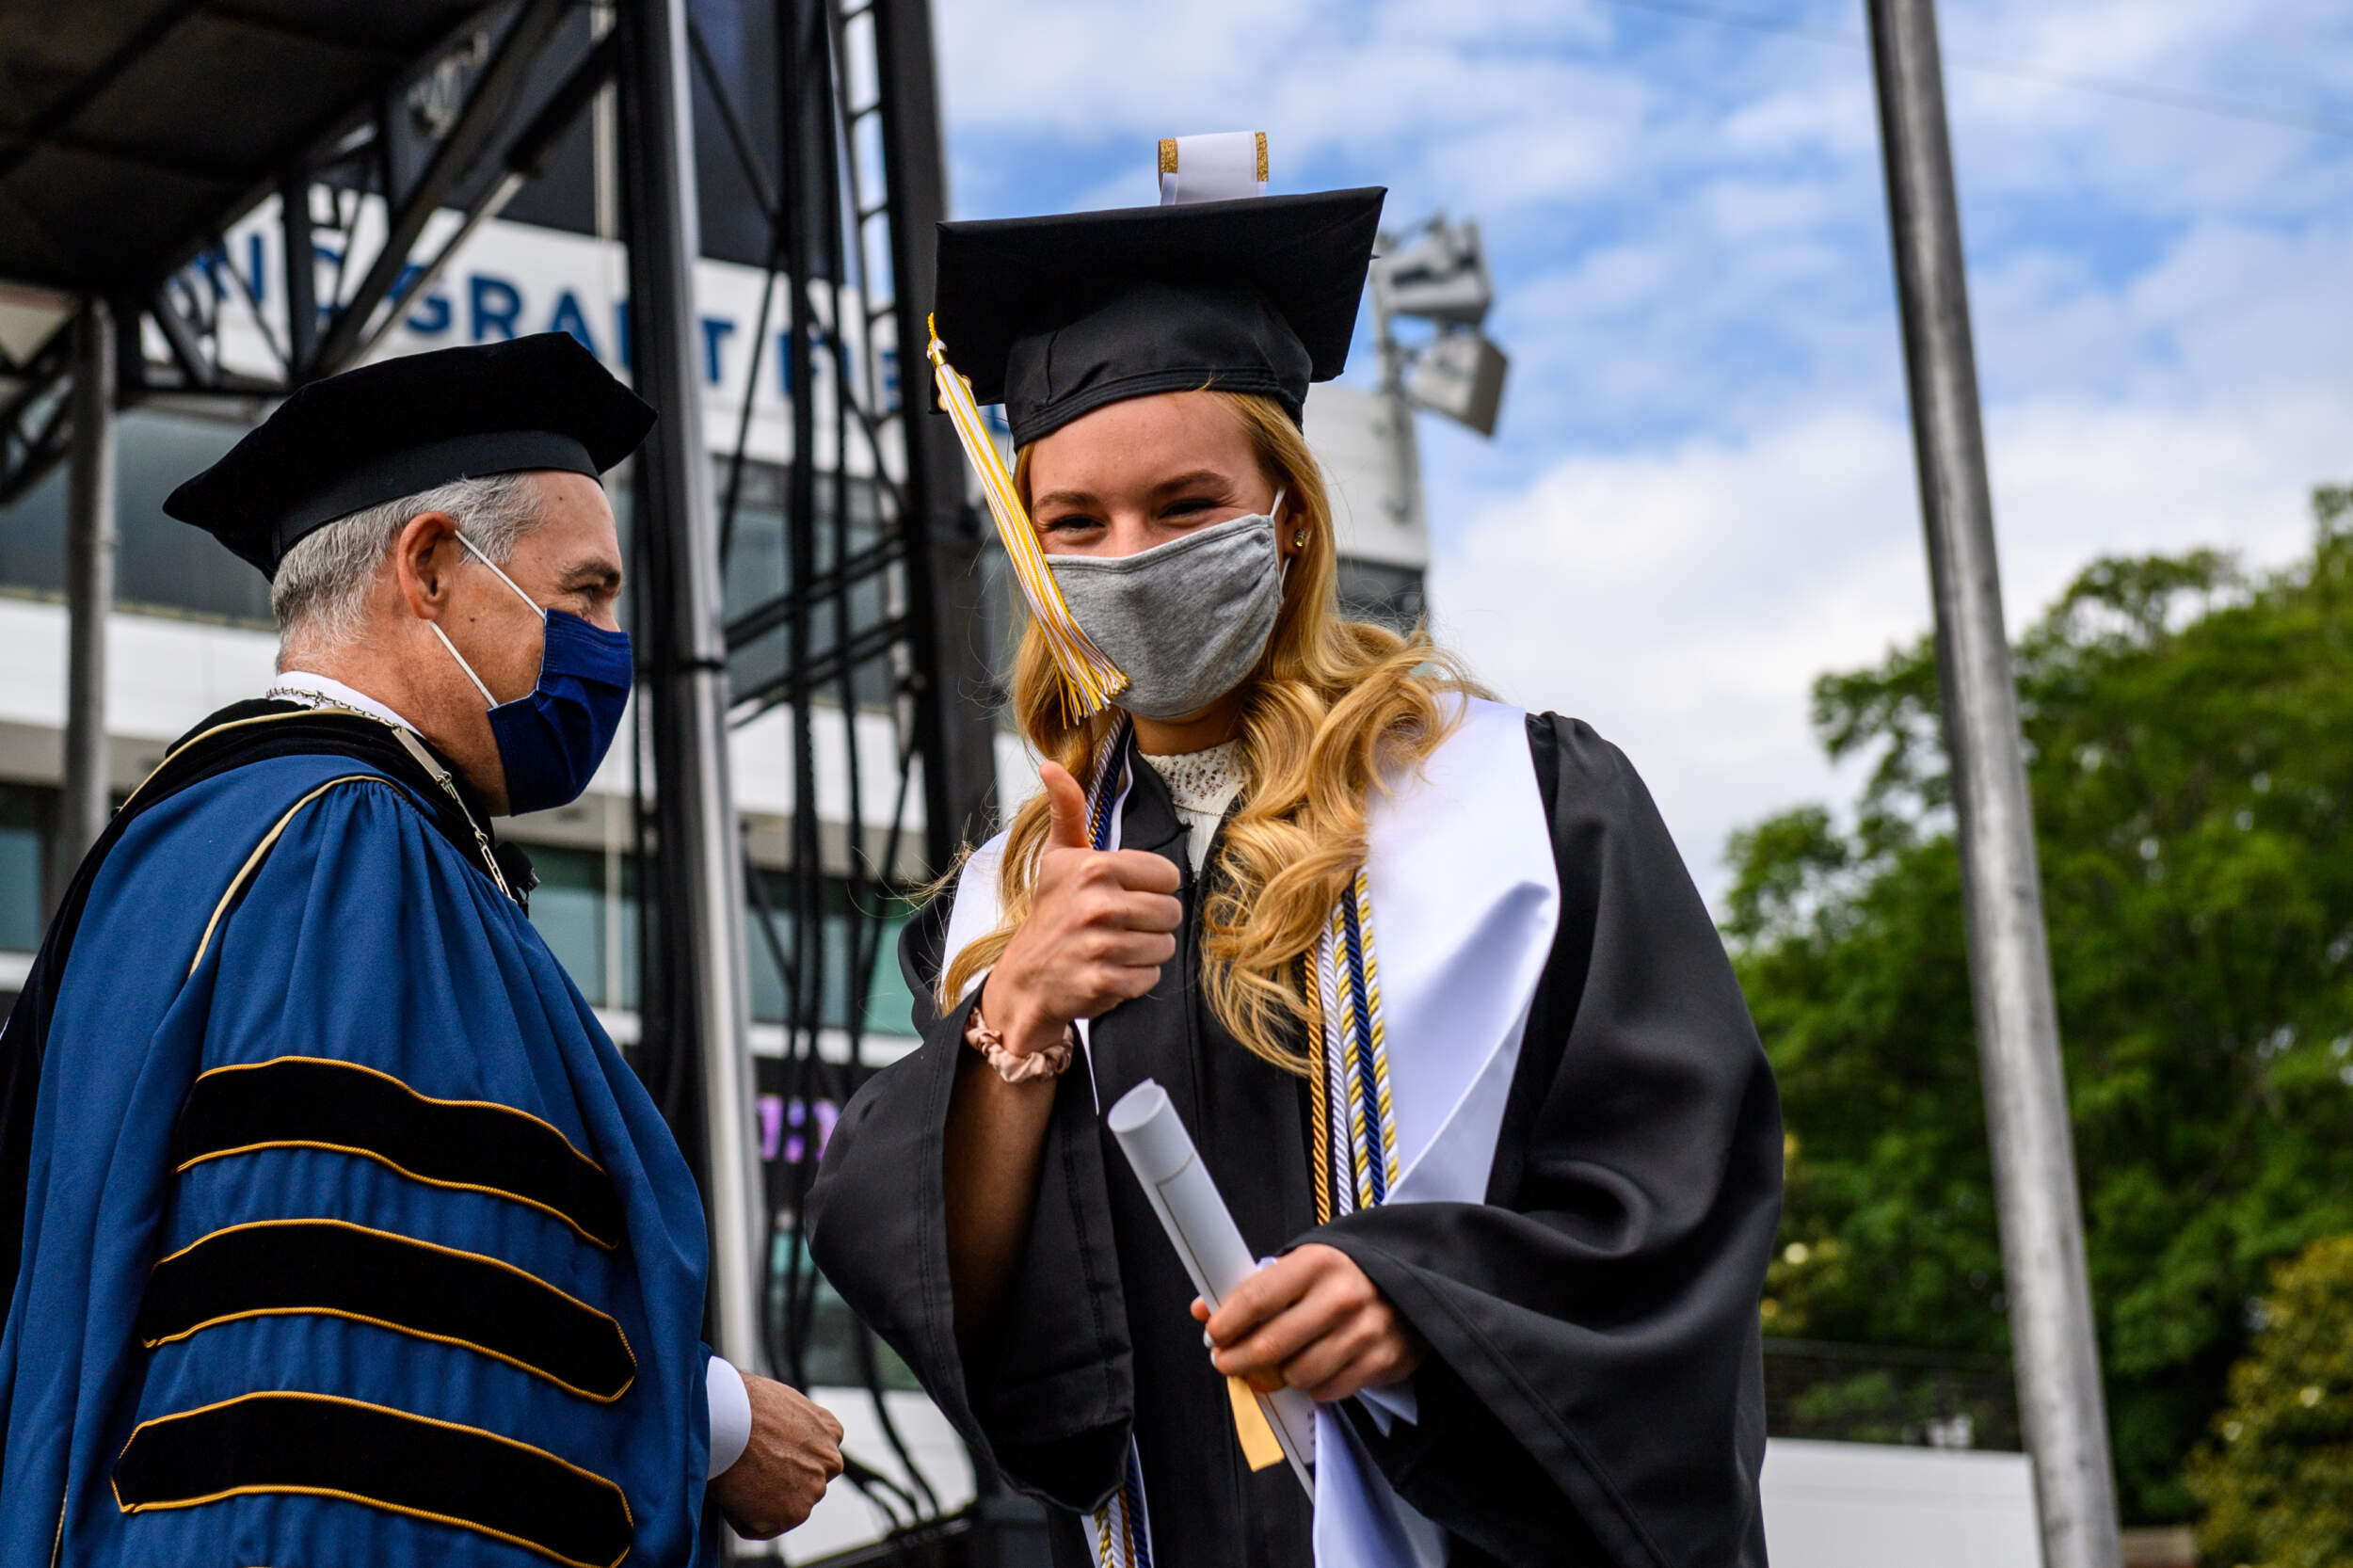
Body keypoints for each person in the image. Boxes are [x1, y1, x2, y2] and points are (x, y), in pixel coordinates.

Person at [807, 146, 1785, 1568]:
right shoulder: (1004, 906)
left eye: (1186, 506)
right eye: (1073, 523)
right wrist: (1010, 1023)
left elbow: (1680, 1202)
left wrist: (1423, 1309)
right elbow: (1022, 1362)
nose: (1128, 557)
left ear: (1291, 517)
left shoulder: (1527, 807)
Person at [0, 334, 841, 1567]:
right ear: (435, 567)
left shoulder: (186, 847)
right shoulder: (355, 856)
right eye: (588, 592)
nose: (610, 640)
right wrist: (714, 1418)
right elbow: (364, 1367)